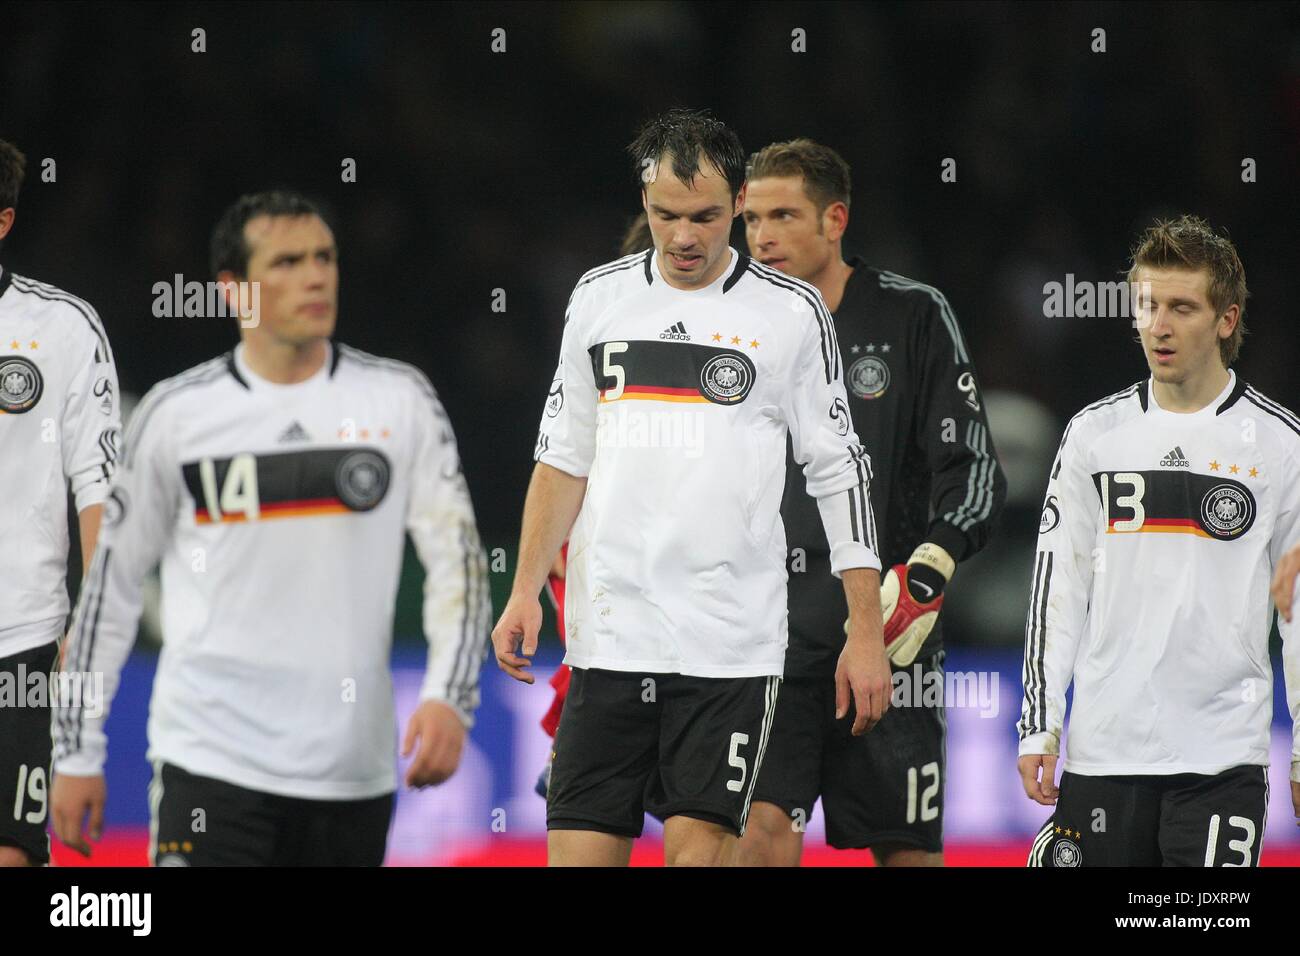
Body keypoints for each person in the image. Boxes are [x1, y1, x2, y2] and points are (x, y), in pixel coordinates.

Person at [491, 109, 891, 867]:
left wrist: (863, 628)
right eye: (665, 215)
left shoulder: (789, 313)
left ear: (738, 202)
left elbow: (839, 470)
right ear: (643, 202)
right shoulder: (599, 298)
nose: (683, 237)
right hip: (608, 639)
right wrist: (520, 592)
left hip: (729, 649)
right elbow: (562, 457)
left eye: (705, 216)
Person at [50, 191, 491, 866]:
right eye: (287, 262)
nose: (315, 277)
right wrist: (75, 750)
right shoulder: (177, 415)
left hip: (351, 772)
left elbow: (457, 561)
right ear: (234, 290)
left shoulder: (397, 401)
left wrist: (449, 697)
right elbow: (111, 590)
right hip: (210, 760)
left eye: (324, 257)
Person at [735, 139, 1005, 866]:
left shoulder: (912, 315)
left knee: (905, 851)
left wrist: (928, 574)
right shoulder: (724, 328)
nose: (762, 237)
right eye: (751, 218)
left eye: (784, 215)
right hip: (761, 633)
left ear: (835, 219)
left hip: (888, 627)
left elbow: (974, 467)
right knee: (758, 838)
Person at [1018, 215, 1300, 866]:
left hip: (1223, 757)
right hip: (1104, 750)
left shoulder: (1279, 447)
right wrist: (1040, 723)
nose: (1160, 325)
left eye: (1182, 307)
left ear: (1227, 319)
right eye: (1147, 306)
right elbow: (1058, 588)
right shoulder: (1095, 435)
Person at [0, 138, 122, 867]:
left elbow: (99, 485)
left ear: (3, 221)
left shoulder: (62, 331)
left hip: (19, 644)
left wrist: (96, 614)